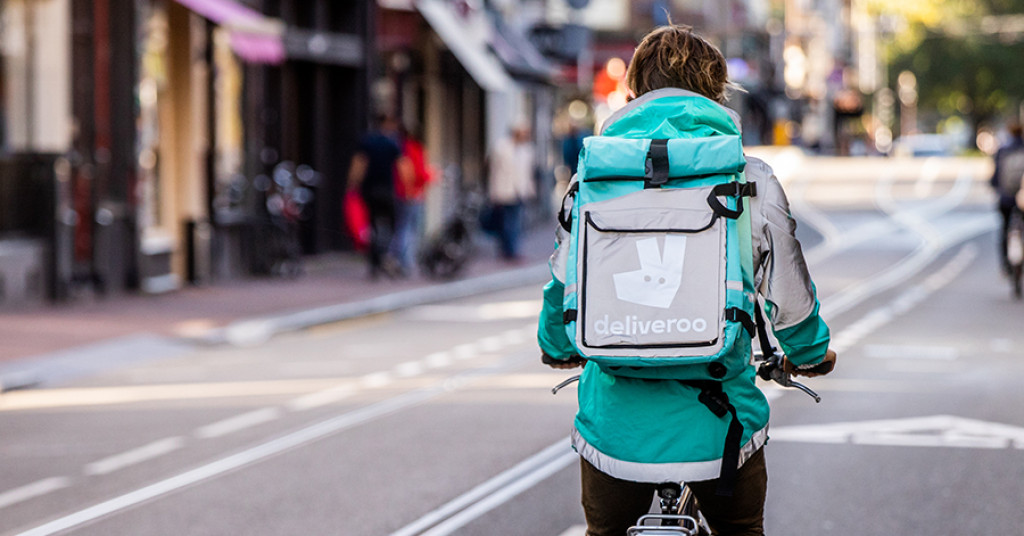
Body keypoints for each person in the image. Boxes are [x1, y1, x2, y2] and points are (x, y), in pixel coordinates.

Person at [537, 25, 837, 536]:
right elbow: (790, 296)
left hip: (615, 430)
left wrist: (555, 342)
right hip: (719, 430)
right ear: (715, 93)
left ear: (631, 93)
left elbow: (564, 283)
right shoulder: (750, 174)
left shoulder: (593, 175)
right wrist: (810, 354)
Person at [346, 114, 412, 279]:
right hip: (386, 190)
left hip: (369, 190)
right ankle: (385, 256)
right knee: (392, 226)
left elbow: (358, 165)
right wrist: (408, 188)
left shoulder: (366, 141)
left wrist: (353, 185)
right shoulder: (392, 143)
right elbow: (403, 166)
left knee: (372, 225)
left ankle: (374, 262)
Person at [389, 125, 436, 275]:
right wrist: (432, 175)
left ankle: (396, 257)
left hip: (399, 192)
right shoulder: (415, 148)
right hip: (412, 194)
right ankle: (404, 261)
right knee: (409, 228)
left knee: (401, 226)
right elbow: (416, 172)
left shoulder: (399, 147)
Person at [485, 124, 536, 261]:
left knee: (515, 223)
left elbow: (527, 173)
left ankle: (512, 250)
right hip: (504, 191)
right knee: (504, 223)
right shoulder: (501, 147)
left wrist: (530, 189)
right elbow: (494, 171)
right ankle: (507, 251)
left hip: (519, 191)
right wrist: (493, 192)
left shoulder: (527, 150)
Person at [990, 121, 1024, 274]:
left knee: (1005, 229)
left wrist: (997, 188)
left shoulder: (1003, 150)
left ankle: (1006, 265)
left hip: (1006, 198)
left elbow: (995, 178)